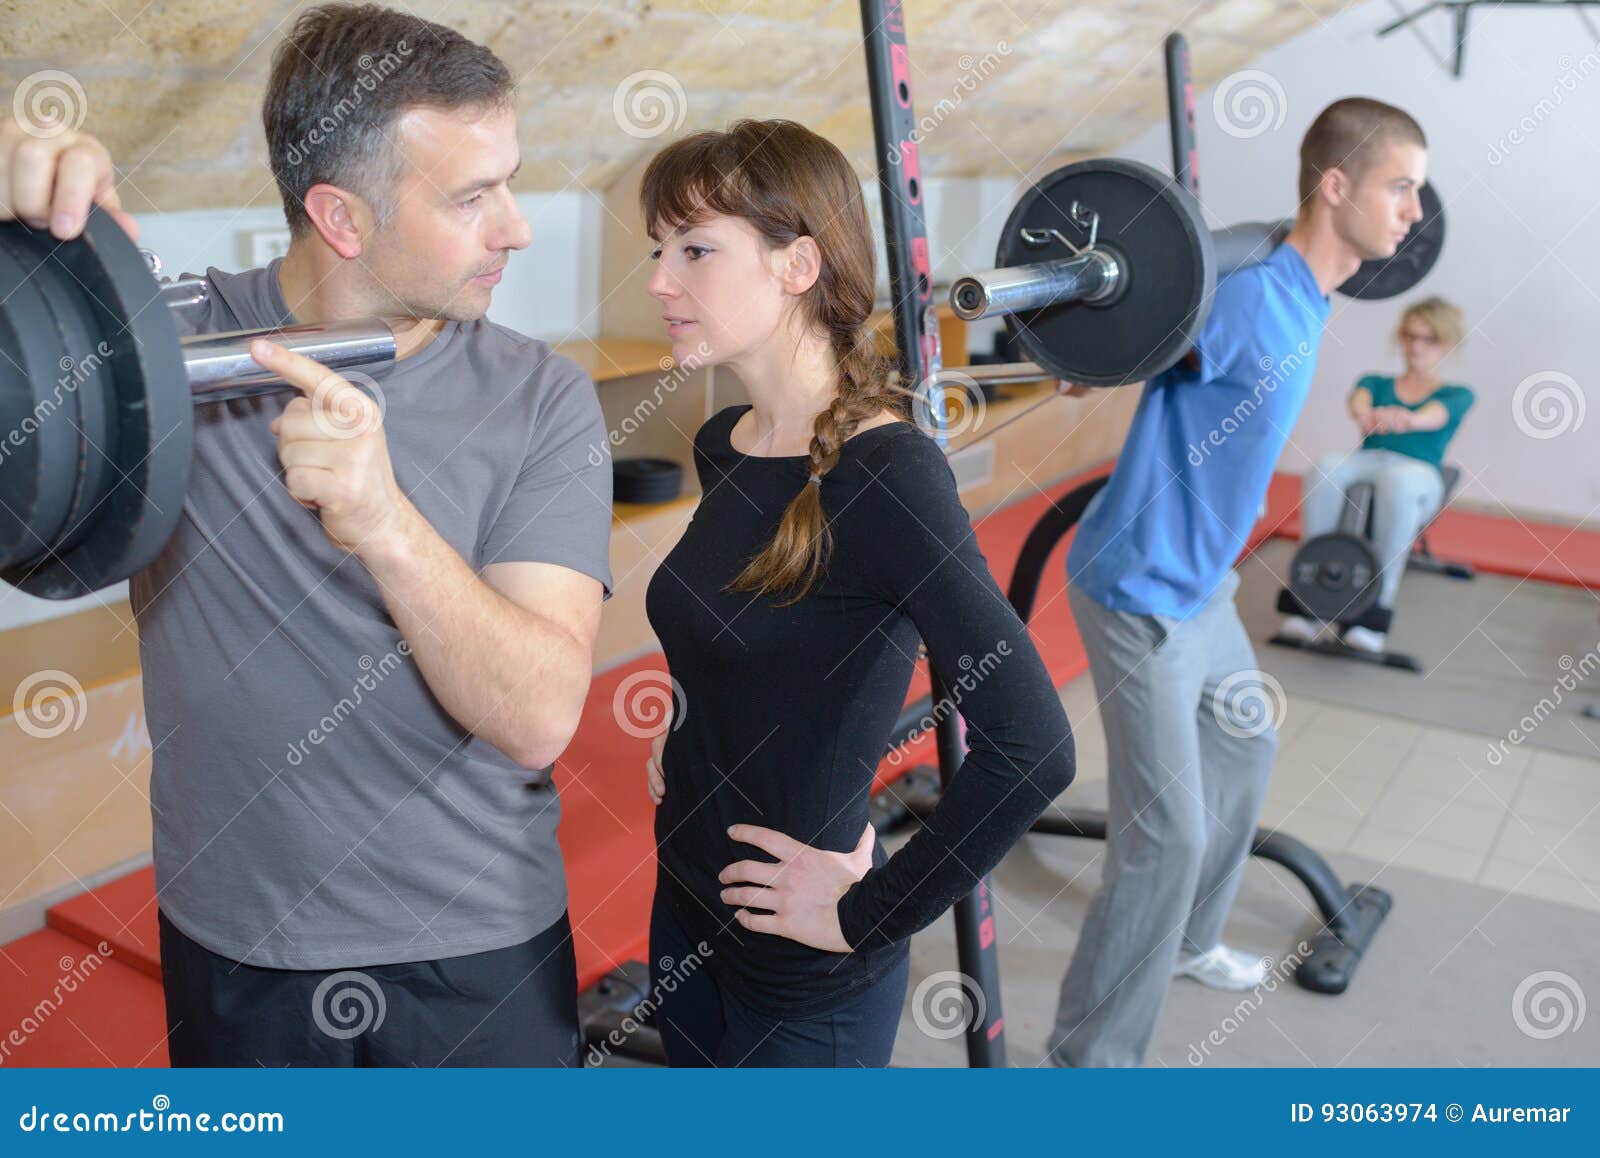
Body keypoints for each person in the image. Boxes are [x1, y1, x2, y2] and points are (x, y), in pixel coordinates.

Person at [0, 3, 613, 1066]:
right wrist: (19, 195)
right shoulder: (167, 344)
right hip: (233, 953)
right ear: (341, 216)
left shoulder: (542, 397)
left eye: (508, 183)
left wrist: (382, 521)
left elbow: (537, 715)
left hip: (471, 956)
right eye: (474, 197)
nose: (515, 226)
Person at [637, 119, 1076, 1067]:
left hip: (804, 974)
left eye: (696, 251)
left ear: (799, 265)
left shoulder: (890, 477)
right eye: (659, 251)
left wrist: (864, 915)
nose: (660, 282)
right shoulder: (728, 443)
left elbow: (1033, 748)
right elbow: (745, 634)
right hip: (683, 913)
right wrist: (691, 733)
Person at [1048, 98, 1428, 1067]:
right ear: (1334, 186)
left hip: (1202, 588)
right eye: (1400, 186)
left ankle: (1182, 943)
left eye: (1419, 191)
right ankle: (1088, 1068)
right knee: (1163, 838)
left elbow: (1241, 249)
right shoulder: (1255, 294)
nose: (1414, 212)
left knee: (1246, 746)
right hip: (1138, 591)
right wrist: (1084, 354)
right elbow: (1137, 337)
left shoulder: (1301, 282)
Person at [1279, 297, 1473, 652]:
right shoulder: (1375, 381)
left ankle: (1374, 615)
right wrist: (1366, 414)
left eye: (1428, 340)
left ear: (1446, 345)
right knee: (1324, 468)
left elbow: (1435, 415)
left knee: (1396, 484)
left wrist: (1407, 419)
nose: (1416, 346)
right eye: (1410, 336)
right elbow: (1358, 401)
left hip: (1418, 472)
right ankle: (1309, 603)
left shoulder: (1456, 393)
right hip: (1370, 461)